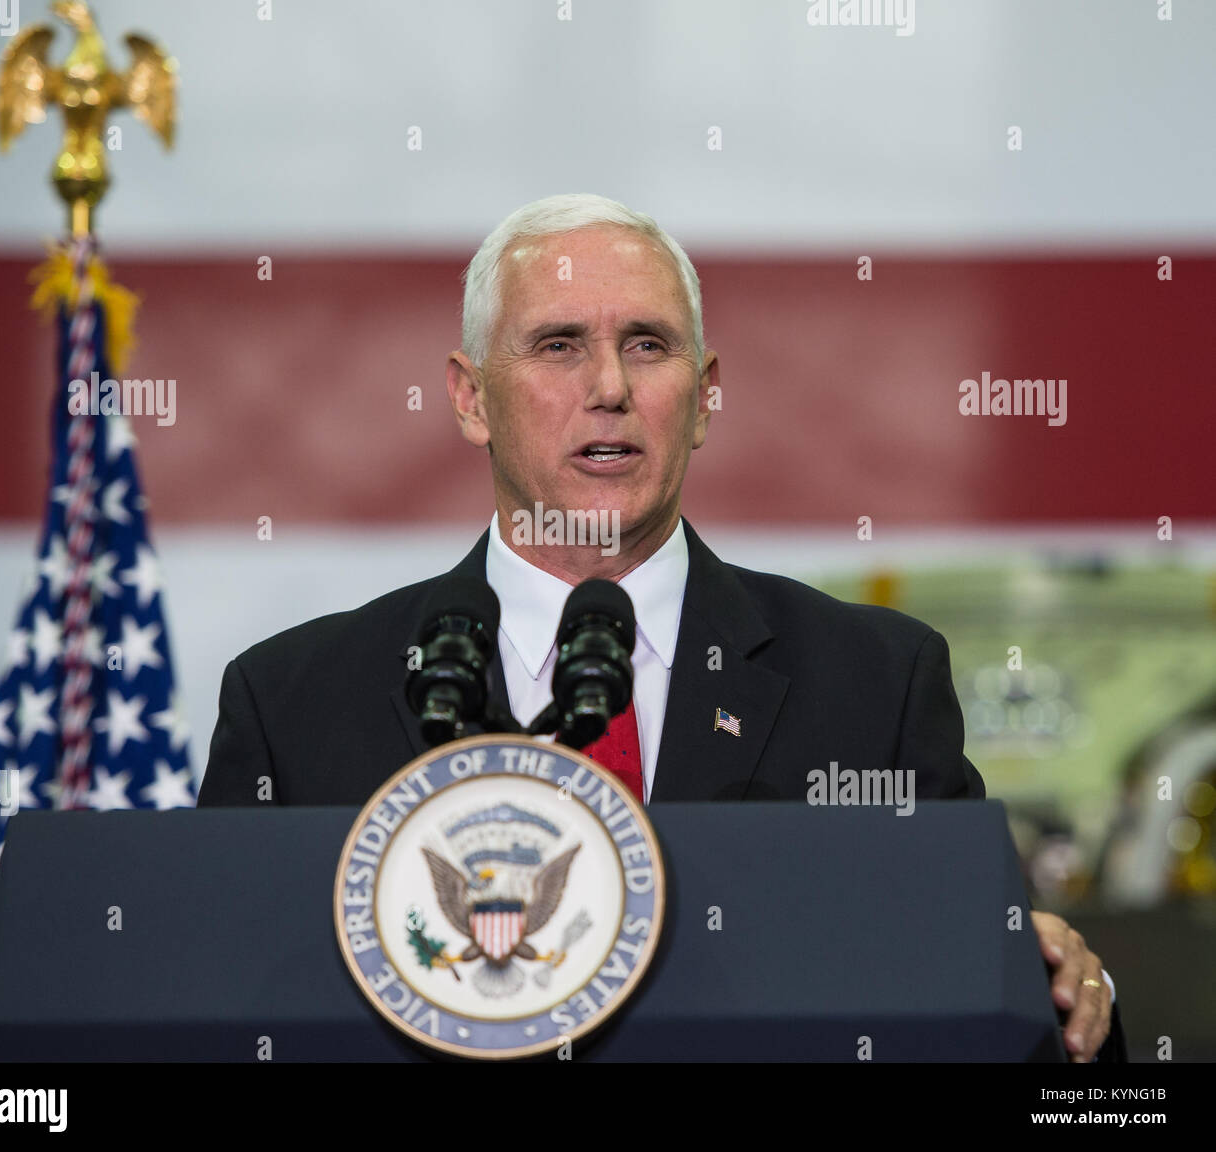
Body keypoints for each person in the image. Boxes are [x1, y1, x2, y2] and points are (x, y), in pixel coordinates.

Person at [198, 193, 1124, 1062]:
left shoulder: (875, 681)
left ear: (705, 394)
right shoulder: (294, 700)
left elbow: (983, 1009)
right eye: (559, 345)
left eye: (647, 345)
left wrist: (1064, 995)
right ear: (471, 397)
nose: (608, 386)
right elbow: (216, 1015)